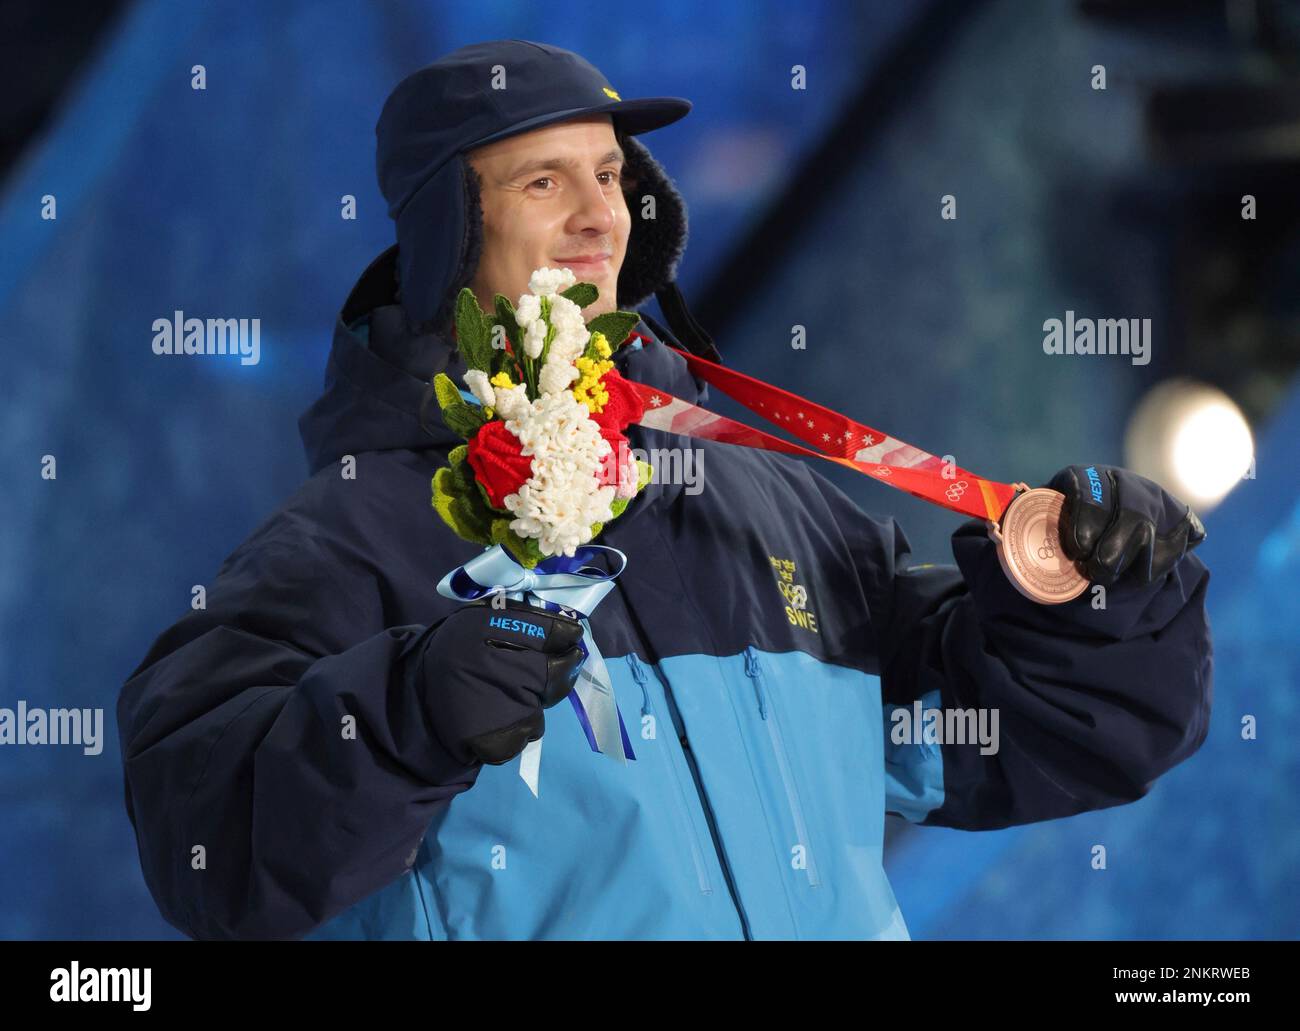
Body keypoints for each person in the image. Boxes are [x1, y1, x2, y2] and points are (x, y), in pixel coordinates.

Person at [117, 39, 1212, 941]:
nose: (599, 214)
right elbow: (208, 849)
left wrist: (1093, 598)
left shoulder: (762, 496)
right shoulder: (351, 534)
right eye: (544, 181)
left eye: (611, 176)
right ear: (446, 229)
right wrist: (406, 712)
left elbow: (1031, 737)